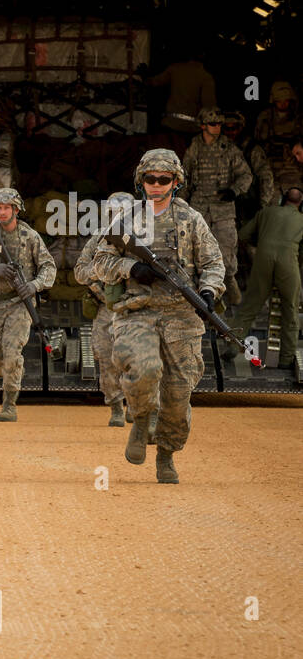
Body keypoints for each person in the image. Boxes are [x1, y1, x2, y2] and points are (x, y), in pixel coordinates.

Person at [91, 149, 224, 484]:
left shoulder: (191, 220)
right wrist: (130, 266)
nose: (156, 184)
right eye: (150, 178)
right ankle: (139, 420)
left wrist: (208, 292)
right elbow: (100, 263)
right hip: (139, 311)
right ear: (141, 181)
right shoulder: (126, 222)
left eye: (163, 179)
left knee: (178, 395)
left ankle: (166, 454)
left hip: (182, 316)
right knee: (144, 368)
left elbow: (213, 264)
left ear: (175, 182)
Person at [0, 187, 55, 421]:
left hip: (19, 304)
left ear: (16, 210)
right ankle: (11, 373)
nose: (2, 212)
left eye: (6, 208)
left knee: (12, 352)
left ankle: (9, 404)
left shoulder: (30, 237)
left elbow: (49, 268)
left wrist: (33, 286)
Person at [74, 192, 134, 427]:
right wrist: (100, 271)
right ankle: (116, 407)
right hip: (107, 309)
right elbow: (80, 272)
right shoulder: (99, 238)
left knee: (136, 359)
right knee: (107, 360)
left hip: (135, 308)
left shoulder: (144, 237)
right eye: (113, 212)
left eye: (123, 212)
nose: (118, 216)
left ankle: (135, 403)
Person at [181, 107, 252, 305]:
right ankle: (203, 294)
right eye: (213, 124)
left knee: (227, 252)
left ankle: (230, 285)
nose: (218, 127)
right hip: (199, 207)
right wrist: (179, 204)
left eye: (220, 123)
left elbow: (246, 175)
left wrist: (235, 191)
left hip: (223, 208)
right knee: (195, 252)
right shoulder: (194, 147)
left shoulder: (228, 148)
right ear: (203, 125)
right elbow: (184, 178)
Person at [228, 187, 303, 372]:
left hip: (263, 257)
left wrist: (263, 243)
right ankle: (285, 359)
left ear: (283, 199)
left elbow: (243, 234)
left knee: (249, 307)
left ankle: (231, 346)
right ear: (300, 204)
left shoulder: (266, 212)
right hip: (288, 262)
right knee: (291, 310)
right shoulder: (301, 219)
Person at [254, 82, 302, 190]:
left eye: (286, 100)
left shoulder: (297, 118)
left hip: (290, 163)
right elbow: (258, 140)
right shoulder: (265, 116)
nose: (283, 103)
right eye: (279, 100)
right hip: (269, 161)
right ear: (274, 100)